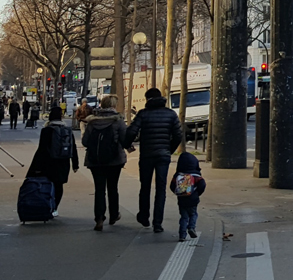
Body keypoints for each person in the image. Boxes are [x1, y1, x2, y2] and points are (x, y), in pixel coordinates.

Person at [123, 87, 183, 233]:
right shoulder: (171, 114)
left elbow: (131, 131)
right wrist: (169, 149)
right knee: (160, 189)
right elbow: (178, 135)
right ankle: (158, 223)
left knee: (145, 186)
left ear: (147, 99)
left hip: (147, 155)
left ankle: (144, 216)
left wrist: (127, 144)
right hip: (163, 155)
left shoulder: (143, 114)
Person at [81, 94, 129, 232]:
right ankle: (114, 215)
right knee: (113, 188)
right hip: (114, 160)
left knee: (99, 189)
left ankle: (99, 218)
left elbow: (85, 142)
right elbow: (125, 139)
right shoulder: (118, 121)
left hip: (95, 160)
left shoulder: (92, 121)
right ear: (113, 105)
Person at [26, 106, 79, 215]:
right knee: (59, 185)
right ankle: (55, 208)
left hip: (49, 161)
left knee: (48, 184)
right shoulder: (67, 130)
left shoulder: (46, 130)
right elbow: (73, 147)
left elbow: (42, 149)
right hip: (63, 162)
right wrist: (75, 164)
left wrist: (37, 166)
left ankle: (47, 205)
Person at [169, 150, 206, 242]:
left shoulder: (178, 176)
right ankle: (191, 227)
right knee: (193, 214)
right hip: (193, 199)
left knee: (183, 217)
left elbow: (172, 186)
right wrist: (197, 193)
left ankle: (182, 235)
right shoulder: (196, 176)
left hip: (181, 200)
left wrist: (178, 193)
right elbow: (202, 185)